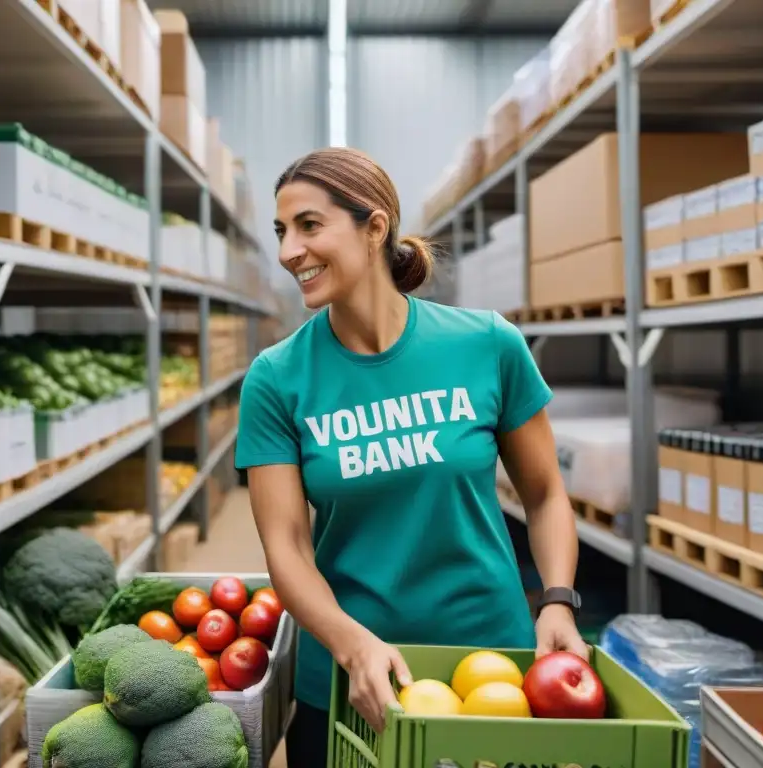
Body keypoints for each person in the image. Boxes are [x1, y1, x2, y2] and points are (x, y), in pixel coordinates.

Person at [234, 147, 585, 767]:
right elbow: (285, 546)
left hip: (489, 676)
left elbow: (545, 493)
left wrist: (557, 598)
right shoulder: (276, 377)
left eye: (310, 226)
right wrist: (352, 646)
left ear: (375, 228)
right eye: (282, 232)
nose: (289, 251)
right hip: (348, 681)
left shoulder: (487, 343)